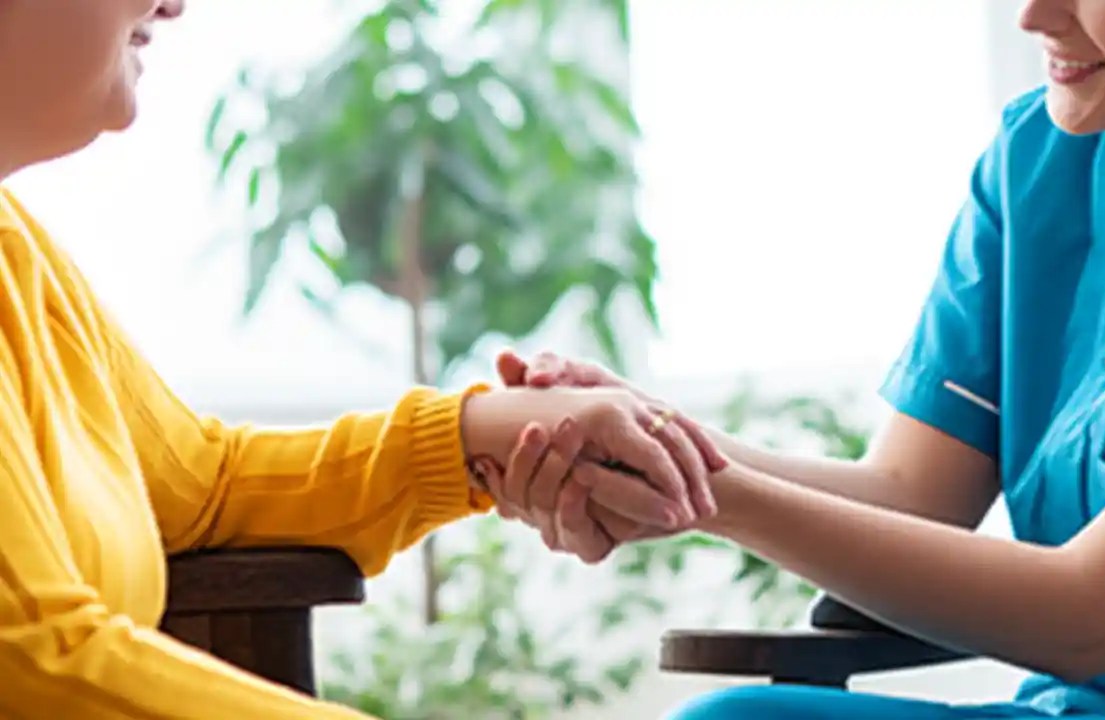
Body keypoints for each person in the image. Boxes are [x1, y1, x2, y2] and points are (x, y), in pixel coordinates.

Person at [480, 0, 1105, 717]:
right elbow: (910, 495)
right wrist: (653, 437)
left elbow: (1089, 615)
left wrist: (696, 491)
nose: (1033, 15)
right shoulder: (1040, 160)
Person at [0, 1, 725, 718]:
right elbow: (28, 662)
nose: (173, 5)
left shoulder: (17, 250)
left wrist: (478, 435)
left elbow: (205, 490)